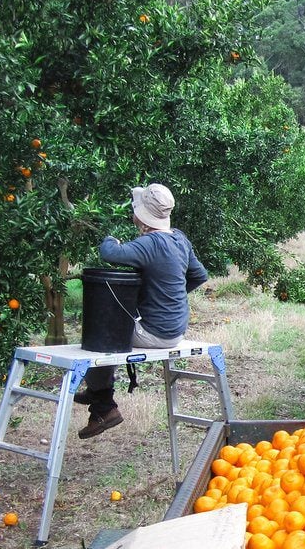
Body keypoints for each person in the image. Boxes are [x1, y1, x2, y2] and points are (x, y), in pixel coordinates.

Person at [74, 183, 208, 439]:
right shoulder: (179, 239)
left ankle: (103, 406)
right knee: (114, 325)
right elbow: (200, 275)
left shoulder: (150, 244)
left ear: (142, 215)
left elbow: (109, 252)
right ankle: (98, 392)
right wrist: (171, 296)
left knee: (102, 332)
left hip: (154, 333)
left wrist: (109, 236)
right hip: (175, 330)